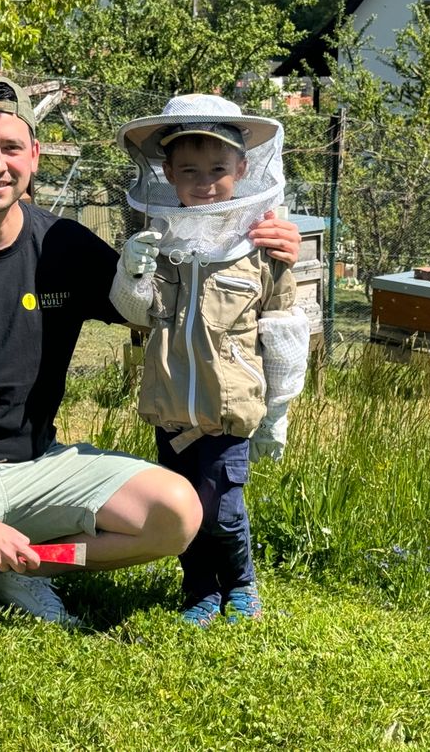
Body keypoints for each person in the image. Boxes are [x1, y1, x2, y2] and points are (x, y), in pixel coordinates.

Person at [0, 76, 302, 652]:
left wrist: (270, 247)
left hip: (36, 466)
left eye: (11, 148)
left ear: (34, 155)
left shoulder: (63, 244)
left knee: (176, 513)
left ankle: (28, 565)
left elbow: (157, 305)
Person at [109, 94, 311, 627]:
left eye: (218, 169)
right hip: (171, 409)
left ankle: (241, 583)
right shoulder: (161, 244)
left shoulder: (264, 247)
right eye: (190, 171)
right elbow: (136, 314)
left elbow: (284, 329)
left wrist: (280, 409)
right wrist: (130, 271)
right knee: (183, 511)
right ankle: (198, 588)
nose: (205, 183)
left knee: (222, 512)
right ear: (167, 173)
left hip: (230, 413)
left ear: (242, 169)